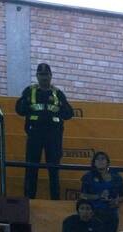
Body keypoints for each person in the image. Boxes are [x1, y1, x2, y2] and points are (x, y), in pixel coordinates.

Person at [15, 63, 74, 201]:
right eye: (41, 75)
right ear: (37, 76)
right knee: (31, 168)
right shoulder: (30, 91)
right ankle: (29, 200)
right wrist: (26, 102)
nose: (44, 77)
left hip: (54, 137)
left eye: (46, 74)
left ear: (51, 76)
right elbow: (19, 110)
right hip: (34, 134)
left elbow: (69, 114)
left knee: (53, 170)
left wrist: (60, 106)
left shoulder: (58, 94)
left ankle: (55, 201)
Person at [79, 151, 123, 232]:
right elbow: (83, 195)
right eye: (98, 159)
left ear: (108, 162)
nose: (101, 161)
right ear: (94, 162)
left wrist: (116, 201)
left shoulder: (116, 177)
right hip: (94, 214)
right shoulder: (88, 177)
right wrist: (98, 196)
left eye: (103, 159)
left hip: (111, 214)